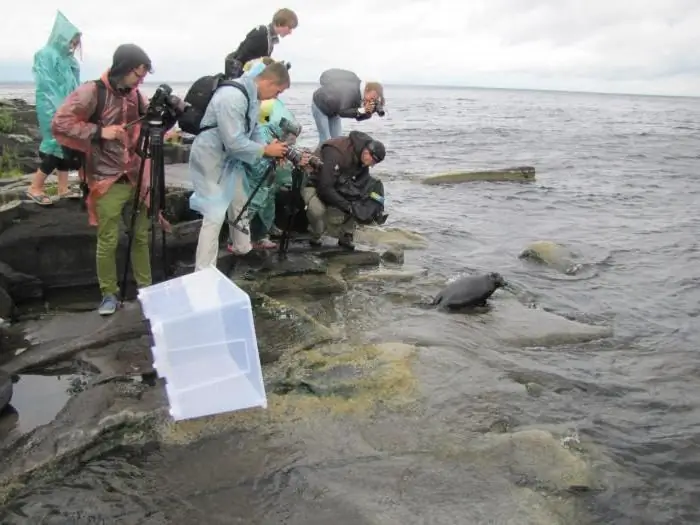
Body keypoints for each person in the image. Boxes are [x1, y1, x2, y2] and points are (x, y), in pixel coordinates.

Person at [52, 44, 182, 316]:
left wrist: (171, 116)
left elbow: (150, 124)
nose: (141, 80)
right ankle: (108, 294)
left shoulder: (135, 96)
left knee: (140, 237)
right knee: (108, 239)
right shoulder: (92, 92)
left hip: (135, 177)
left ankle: (146, 290)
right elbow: (60, 123)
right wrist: (100, 131)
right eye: (138, 74)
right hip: (104, 178)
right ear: (123, 68)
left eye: (145, 75)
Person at [189, 62, 291, 271]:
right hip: (211, 157)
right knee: (214, 213)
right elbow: (234, 141)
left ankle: (242, 247)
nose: (276, 97)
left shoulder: (252, 98)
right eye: (277, 91)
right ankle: (203, 270)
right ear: (269, 81)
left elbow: (252, 131)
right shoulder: (232, 97)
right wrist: (265, 151)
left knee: (240, 200)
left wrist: (270, 148)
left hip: (229, 160)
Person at [27, 11, 82, 205]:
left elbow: (75, 87)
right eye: (71, 41)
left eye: (76, 43)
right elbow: (46, 85)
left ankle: (63, 187)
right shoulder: (45, 55)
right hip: (50, 106)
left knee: (67, 145)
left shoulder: (69, 61)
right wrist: (59, 110)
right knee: (56, 144)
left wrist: (78, 108)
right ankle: (35, 187)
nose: (73, 46)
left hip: (66, 108)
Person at [235, 97, 303, 251]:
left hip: (264, 174)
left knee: (267, 197)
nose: (289, 141)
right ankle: (244, 238)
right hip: (256, 175)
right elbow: (258, 161)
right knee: (255, 201)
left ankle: (261, 233)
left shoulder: (271, 125)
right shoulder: (263, 134)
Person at [303, 130, 386, 250]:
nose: (372, 165)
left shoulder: (363, 159)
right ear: (367, 152)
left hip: (339, 183)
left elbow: (361, 186)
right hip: (315, 183)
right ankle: (316, 234)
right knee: (317, 211)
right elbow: (324, 188)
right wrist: (347, 206)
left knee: (359, 200)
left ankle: (346, 234)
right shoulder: (337, 152)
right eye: (373, 161)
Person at [311, 69, 385, 144]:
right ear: (367, 89)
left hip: (334, 109)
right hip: (320, 104)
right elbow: (342, 112)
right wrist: (363, 109)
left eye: (377, 97)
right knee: (326, 139)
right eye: (374, 95)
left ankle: (332, 154)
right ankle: (319, 155)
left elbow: (357, 117)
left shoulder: (361, 96)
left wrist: (369, 112)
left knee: (337, 140)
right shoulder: (351, 91)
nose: (374, 98)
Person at [224, 8, 298, 79]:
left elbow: (257, 62)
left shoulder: (269, 38)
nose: (290, 32)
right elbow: (241, 58)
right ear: (280, 23)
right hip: (240, 80)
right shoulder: (262, 34)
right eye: (289, 27)